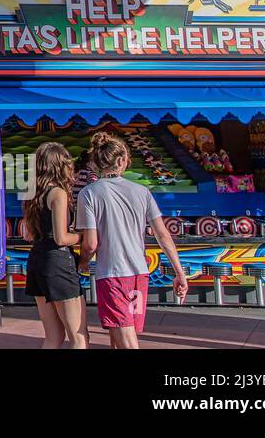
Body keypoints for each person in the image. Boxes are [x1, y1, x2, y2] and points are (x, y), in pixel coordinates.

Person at [77, 131, 188, 349]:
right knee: (121, 333)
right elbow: (163, 235)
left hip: (112, 274)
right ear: (120, 161)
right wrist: (180, 273)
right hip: (139, 273)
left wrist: (82, 262)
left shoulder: (89, 194)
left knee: (124, 336)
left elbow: (90, 243)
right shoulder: (142, 191)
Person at [20, 142, 88, 348]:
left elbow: (29, 235)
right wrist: (81, 236)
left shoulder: (31, 194)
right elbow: (61, 238)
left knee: (53, 337)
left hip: (36, 261)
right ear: (59, 165)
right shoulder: (58, 193)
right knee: (79, 335)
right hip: (58, 263)